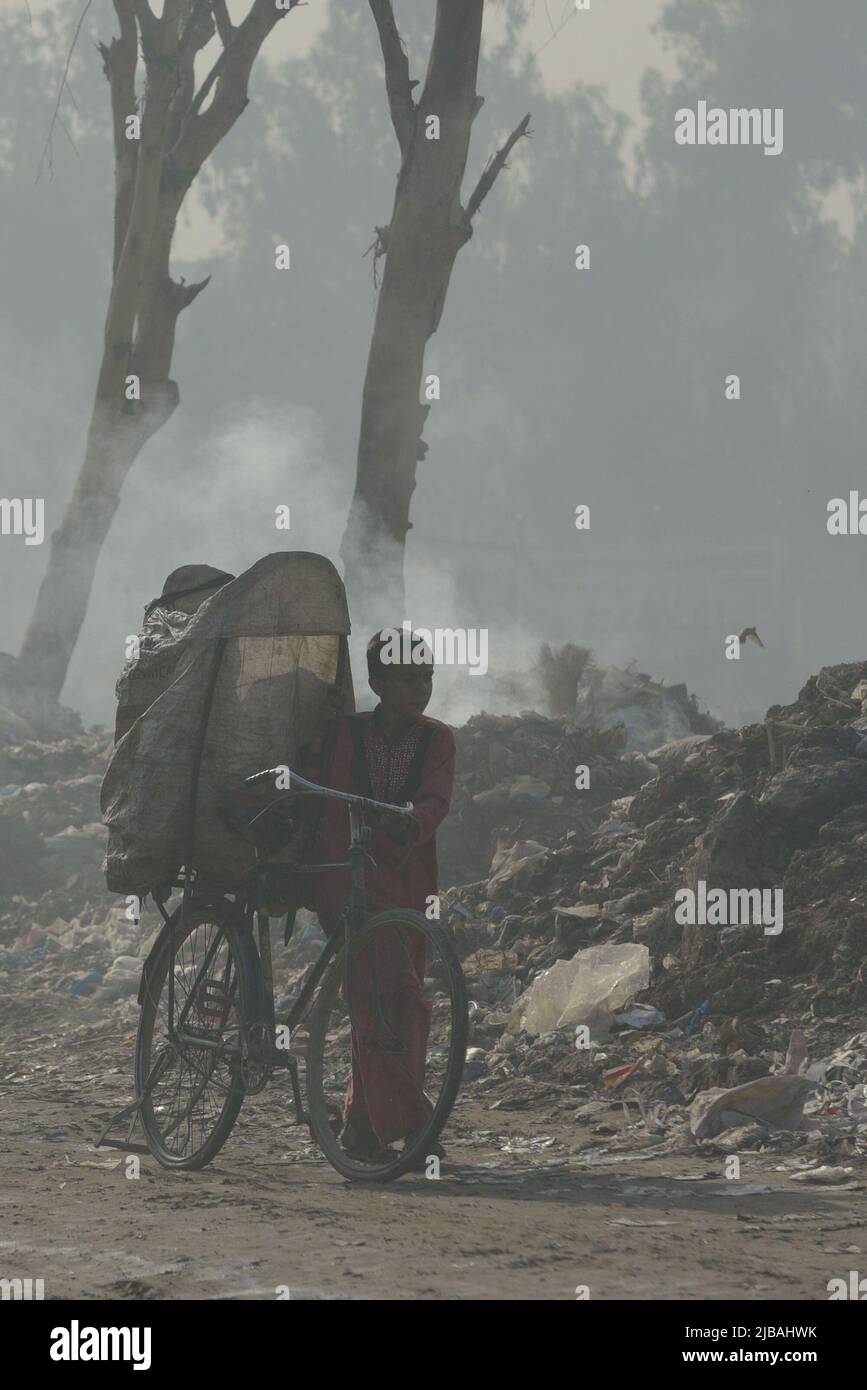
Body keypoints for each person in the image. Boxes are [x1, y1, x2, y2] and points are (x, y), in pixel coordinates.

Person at [305, 629, 455, 1164]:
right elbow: (331, 804)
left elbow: (436, 800)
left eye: (427, 678)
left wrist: (414, 819)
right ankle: (412, 1123)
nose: (421, 689)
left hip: (409, 883)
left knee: (395, 998)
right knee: (381, 998)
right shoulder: (347, 735)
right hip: (351, 881)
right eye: (409, 679)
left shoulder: (438, 739)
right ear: (377, 683)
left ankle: (363, 1127)